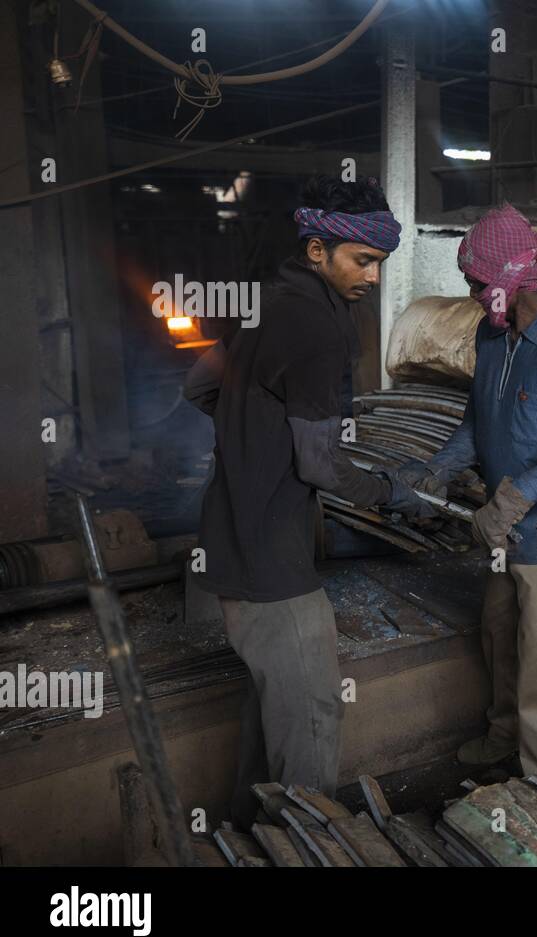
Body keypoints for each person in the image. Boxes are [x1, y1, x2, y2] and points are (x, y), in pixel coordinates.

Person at [185, 175, 431, 828]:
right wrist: (392, 493)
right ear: (318, 250)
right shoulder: (322, 328)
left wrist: (251, 440)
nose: (374, 279)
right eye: (364, 262)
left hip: (229, 552)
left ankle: (247, 837)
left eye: (379, 263)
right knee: (311, 735)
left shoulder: (264, 302)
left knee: (272, 721)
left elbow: (198, 388)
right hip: (276, 568)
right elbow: (320, 463)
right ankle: (303, 841)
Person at [399, 202, 537, 788]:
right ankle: (504, 737)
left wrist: (518, 494)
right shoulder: (491, 335)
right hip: (500, 534)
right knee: (499, 637)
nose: (470, 293)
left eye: (475, 282)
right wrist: (440, 467)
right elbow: (479, 418)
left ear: (507, 281)